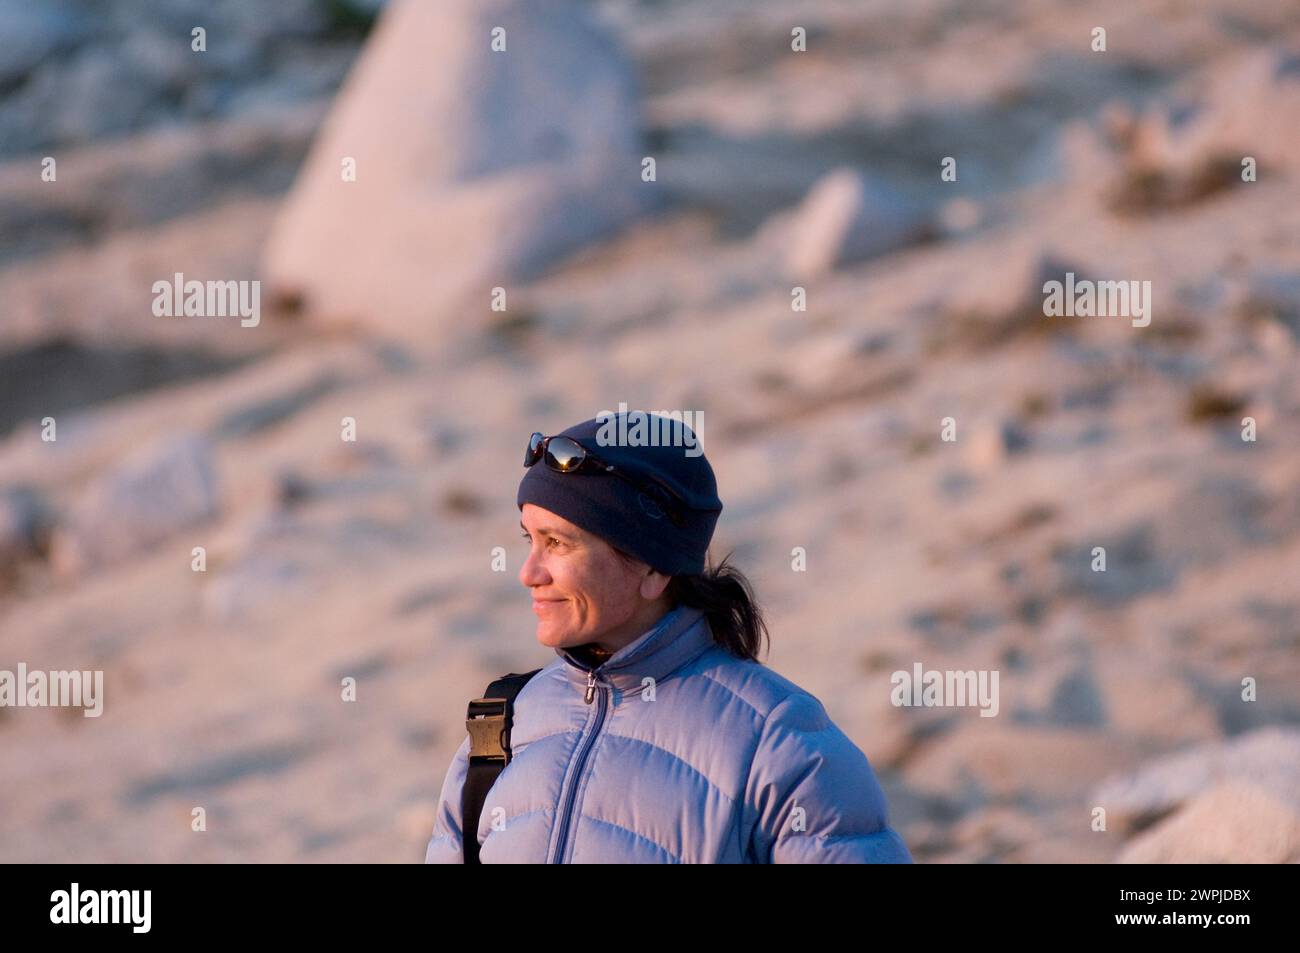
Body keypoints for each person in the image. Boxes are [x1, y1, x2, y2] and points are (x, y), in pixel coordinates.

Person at [424, 411, 912, 863]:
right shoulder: (502, 726)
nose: (529, 573)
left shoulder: (781, 742)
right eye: (529, 539)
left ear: (653, 566)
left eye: (557, 543)